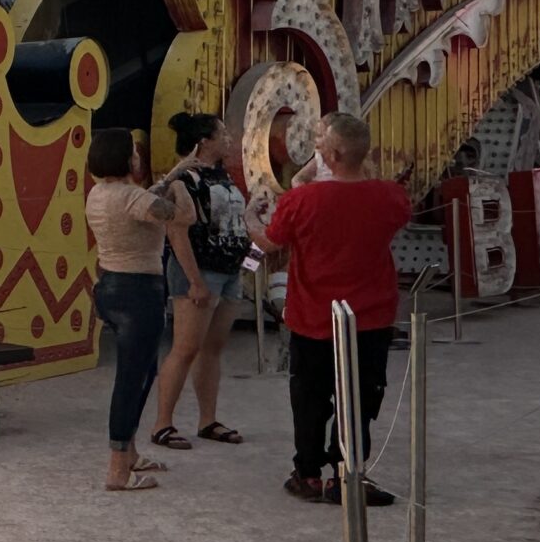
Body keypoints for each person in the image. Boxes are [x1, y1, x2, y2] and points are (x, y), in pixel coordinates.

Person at [252, 111, 405, 506]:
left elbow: (270, 243)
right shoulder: (389, 196)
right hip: (370, 317)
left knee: (309, 397)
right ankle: (348, 472)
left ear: (332, 154)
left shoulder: (302, 199)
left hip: (313, 315)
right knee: (360, 397)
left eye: (321, 141)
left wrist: (250, 217)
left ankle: (307, 472)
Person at [149, 111, 251, 450]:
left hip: (228, 270)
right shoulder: (185, 181)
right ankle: (163, 422)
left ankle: (208, 418)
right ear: (203, 141)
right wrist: (195, 281)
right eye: (222, 133)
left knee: (213, 347)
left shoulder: (224, 176)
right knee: (186, 347)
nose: (229, 139)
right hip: (200, 270)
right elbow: (177, 232)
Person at [84, 126, 176, 491]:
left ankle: (131, 452)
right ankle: (118, 470)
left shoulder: (98, 193)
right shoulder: (132, 197)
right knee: (131, 380)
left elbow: (141, 205)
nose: (138, 157)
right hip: (139, 291)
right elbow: (168, 212)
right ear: (126, 158)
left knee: (140, 372)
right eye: (134, 152)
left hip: (109, 285)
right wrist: (175, 186)